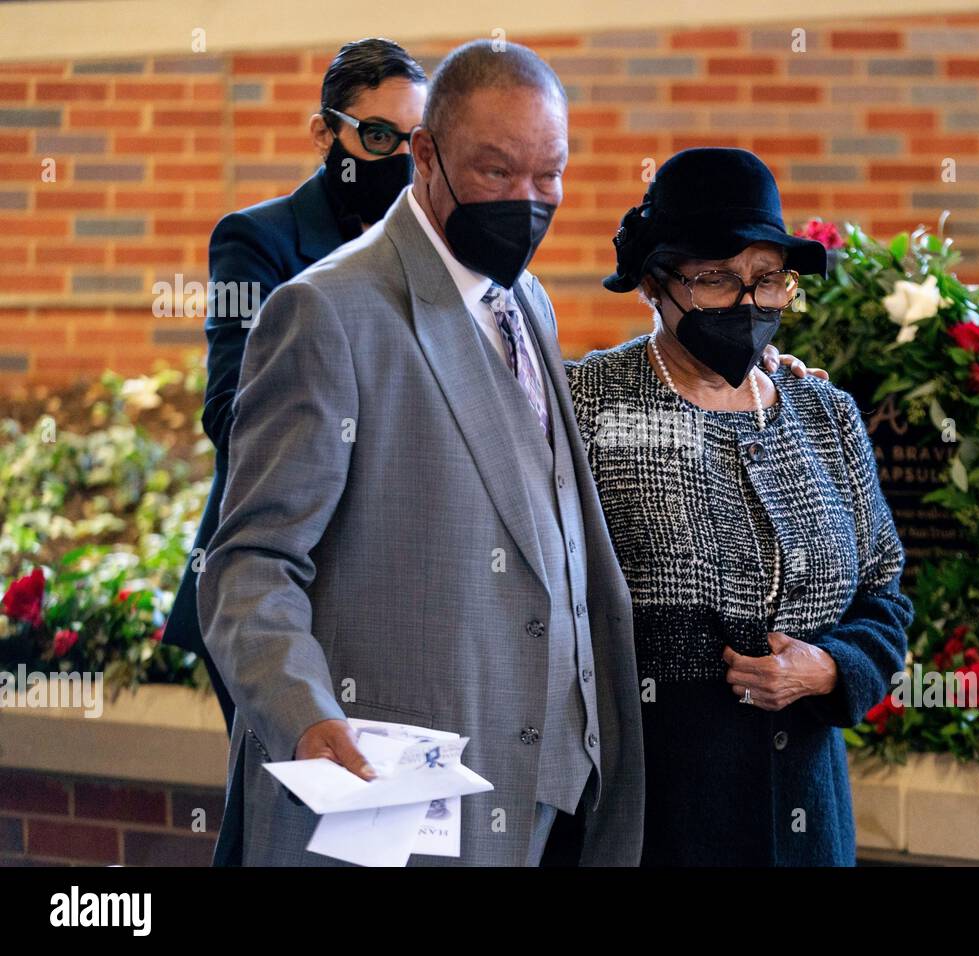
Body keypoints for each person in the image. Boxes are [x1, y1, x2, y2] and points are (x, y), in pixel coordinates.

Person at [197, 39, 649, 867]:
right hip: (402, 813)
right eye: (496, 172)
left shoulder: (529, 299)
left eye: (548, 174)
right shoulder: (326, 312)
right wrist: (303, 713)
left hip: (551, 796)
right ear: (427, 157)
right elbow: (250, 563)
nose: (528, 199)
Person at [566, 147, 914, 866]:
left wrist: (829, 666)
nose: (747, 304)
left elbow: (885, 595)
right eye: (715, 280)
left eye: (766, 281)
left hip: (806, 820)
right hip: (654, 818)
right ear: (654, 282)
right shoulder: (590, 404)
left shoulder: (824, 414)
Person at [162, 38, 427, 739]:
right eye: (376, 136)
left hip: (382, 589)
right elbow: (228, 413)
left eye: (414, 141)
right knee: (288, 821)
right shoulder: (259, 239)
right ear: (324, 132)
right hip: (277, 586)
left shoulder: (430, 255)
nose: (397, 159)